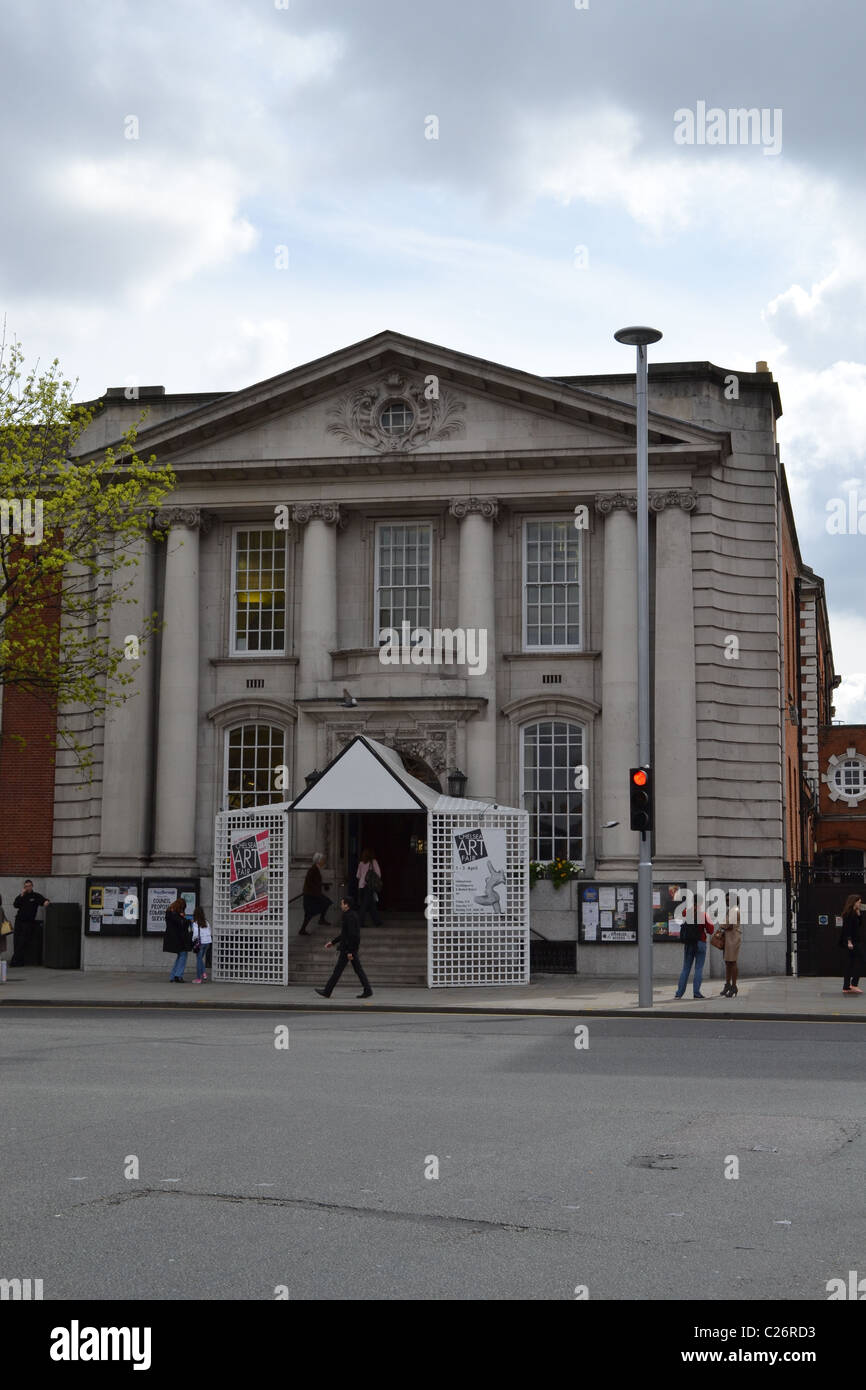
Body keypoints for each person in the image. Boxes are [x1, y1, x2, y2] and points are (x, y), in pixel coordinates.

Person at [315, 896, 373, 999]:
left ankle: (327, 991)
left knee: (338, 971)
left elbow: (352, 935)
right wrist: (332, 942)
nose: (341, 905)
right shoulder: (351, 915)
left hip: (348, 949)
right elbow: (345, 934)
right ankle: (368, 990)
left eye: (342, 903)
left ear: (346, 905)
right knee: (358, 970)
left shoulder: (349, 916)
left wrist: (350, 951)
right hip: (350, 948)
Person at [674, 903, 713, 1000]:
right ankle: (696, 993)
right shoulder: (703, 915)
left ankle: (679, 994)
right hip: (700, 943)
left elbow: (681, 915)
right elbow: (710, 930)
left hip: (689, 943)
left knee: (686, 969)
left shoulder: (686, 913)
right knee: (698, 969)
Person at [9, 879, 49, 967]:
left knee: (22, 941)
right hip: (19, 921)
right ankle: (18, 961)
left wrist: (46, 902)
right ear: (24, 887)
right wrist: (21, 895)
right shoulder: (21, 896)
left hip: (28, 923)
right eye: (26, 886)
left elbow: (43, 900)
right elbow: (15, 905)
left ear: (32, 886)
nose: (28, 888)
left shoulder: (35, 896)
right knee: (17, 941)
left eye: (29, 886)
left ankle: (15, 961)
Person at [299, 852, 332, 935]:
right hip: (311, 895)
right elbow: (310, 882)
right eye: (322, 860)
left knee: (309, 914)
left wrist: (323, 885)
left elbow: (314, 882)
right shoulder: (313, 869)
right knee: (326, 902)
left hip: (312, 894)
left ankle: (303, 929)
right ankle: (321, 920)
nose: (324, 861)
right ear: (318, 861)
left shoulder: (315, 869)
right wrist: (316, 891)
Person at [163, 898, 193, 982]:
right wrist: (188, 921)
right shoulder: (175, 914)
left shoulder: (169, 912)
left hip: (172, 938)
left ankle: (173, 976)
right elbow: (181, 923)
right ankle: (178, 975)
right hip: (179, 938)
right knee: (183, 954)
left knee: (180, 955)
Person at [840, 893, 864, 995]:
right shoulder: (849, 914)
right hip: (853, 942)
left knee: (850, 963)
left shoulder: (854, 913)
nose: (860, 904)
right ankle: (853, 984)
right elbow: (847, 929)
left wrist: (859, 914)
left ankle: (846, 986)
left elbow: (859, 924)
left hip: (854, 941)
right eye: (859, 902)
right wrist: (849, 942)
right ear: (854, 902)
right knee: (862, 961)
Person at [356, 847, 383, 928]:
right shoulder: (373, 862)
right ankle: (360, 923)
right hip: (369, 886)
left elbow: (358, 876)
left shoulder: (361, 863)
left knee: (371, 905)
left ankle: (377, 922)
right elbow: (378, 874)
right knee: (365, 905)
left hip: (361, 886)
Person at [721, 903, 742, 997]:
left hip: (733, 939)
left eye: (729, 899)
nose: (726, 901)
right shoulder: (732, 909)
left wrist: (721, 923)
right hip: (729, 938)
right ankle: (728, 985)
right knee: (728, 962)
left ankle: (733, 986)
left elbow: (727, 925)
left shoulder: (734, 910)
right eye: (726, 899)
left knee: (732, 962)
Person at [192, 905, 212, 983]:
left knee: (199, 960)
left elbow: (195, 934)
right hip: (207, 942)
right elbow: (210, 931)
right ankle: (202, 975)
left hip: (200, 943)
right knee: (200, 959)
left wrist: (193, 940)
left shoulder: (195, 923)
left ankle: (200, 977)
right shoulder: (206, 922)